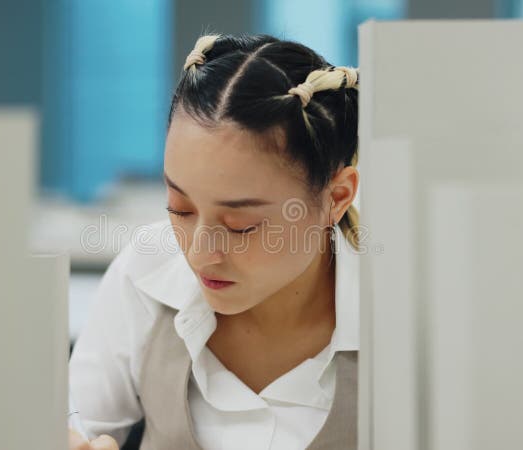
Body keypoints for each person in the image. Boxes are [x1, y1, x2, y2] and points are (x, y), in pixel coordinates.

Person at [68, 32, 362, 450]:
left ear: (336, 198)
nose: (200, 253)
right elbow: (76, 416)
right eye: (179, 208)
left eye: (240, 224)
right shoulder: (147, 271)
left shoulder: (399, 321)